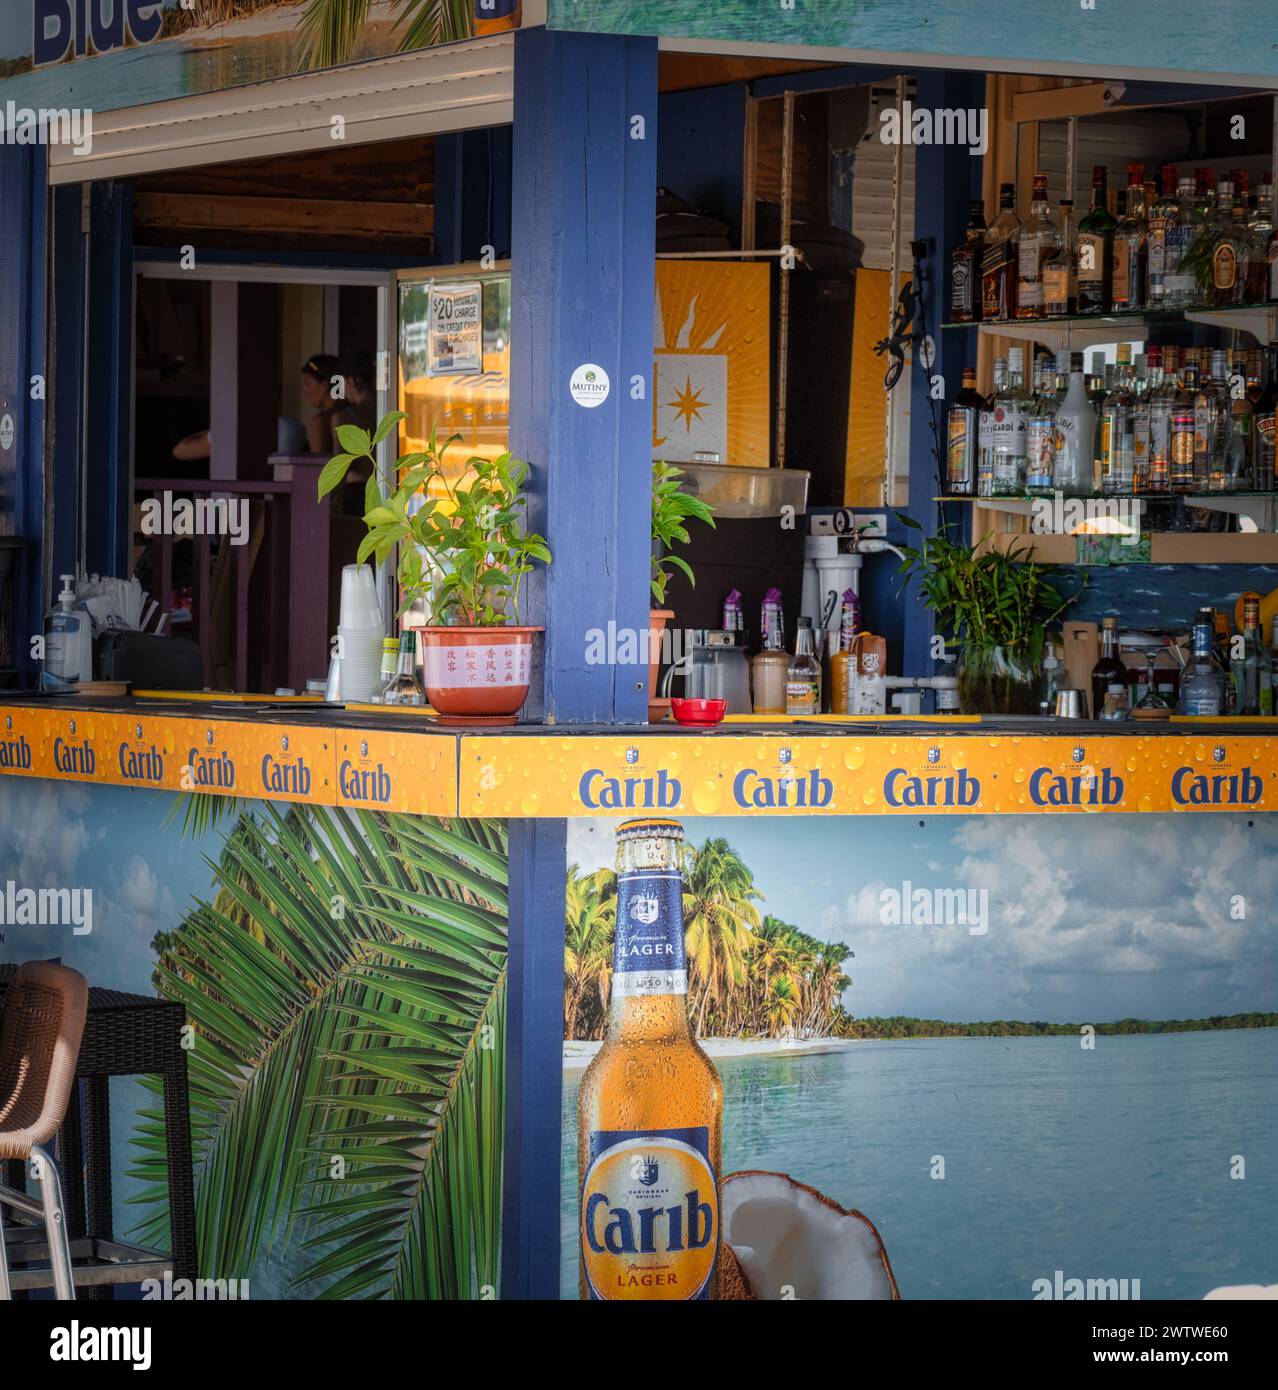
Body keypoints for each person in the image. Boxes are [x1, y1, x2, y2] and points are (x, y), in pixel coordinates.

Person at [301, 354, 342, 455]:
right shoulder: (352, 413)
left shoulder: (320, 422)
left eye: (308, 383)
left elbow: (317, 467)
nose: (305, 390)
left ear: (324, 385)